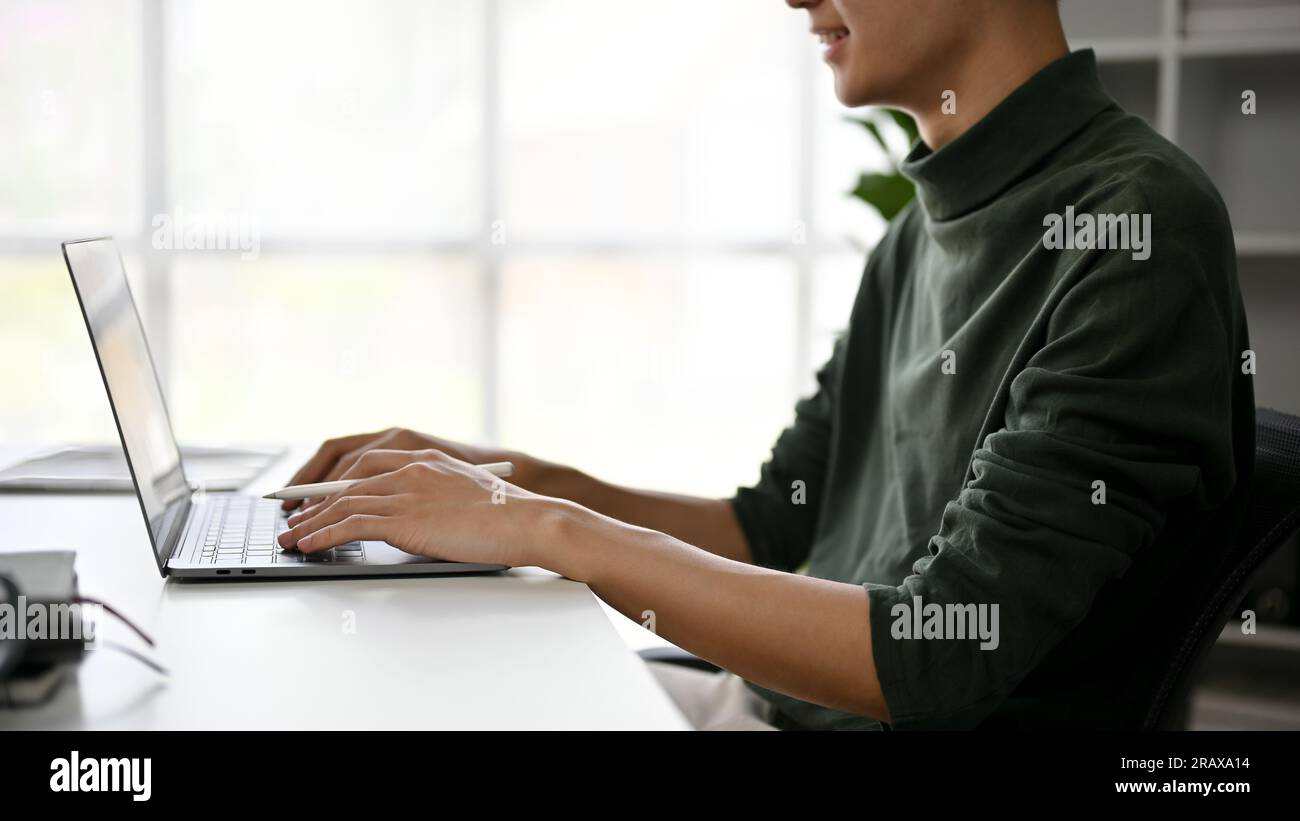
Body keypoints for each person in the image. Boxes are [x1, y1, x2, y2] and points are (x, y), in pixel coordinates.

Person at [277, 0, 1254, 730]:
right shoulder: (920, 234)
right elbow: (772, 525)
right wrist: (511, 480)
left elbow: (938, 651)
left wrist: (542, 526)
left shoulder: (1134, 229)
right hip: (755, 709)